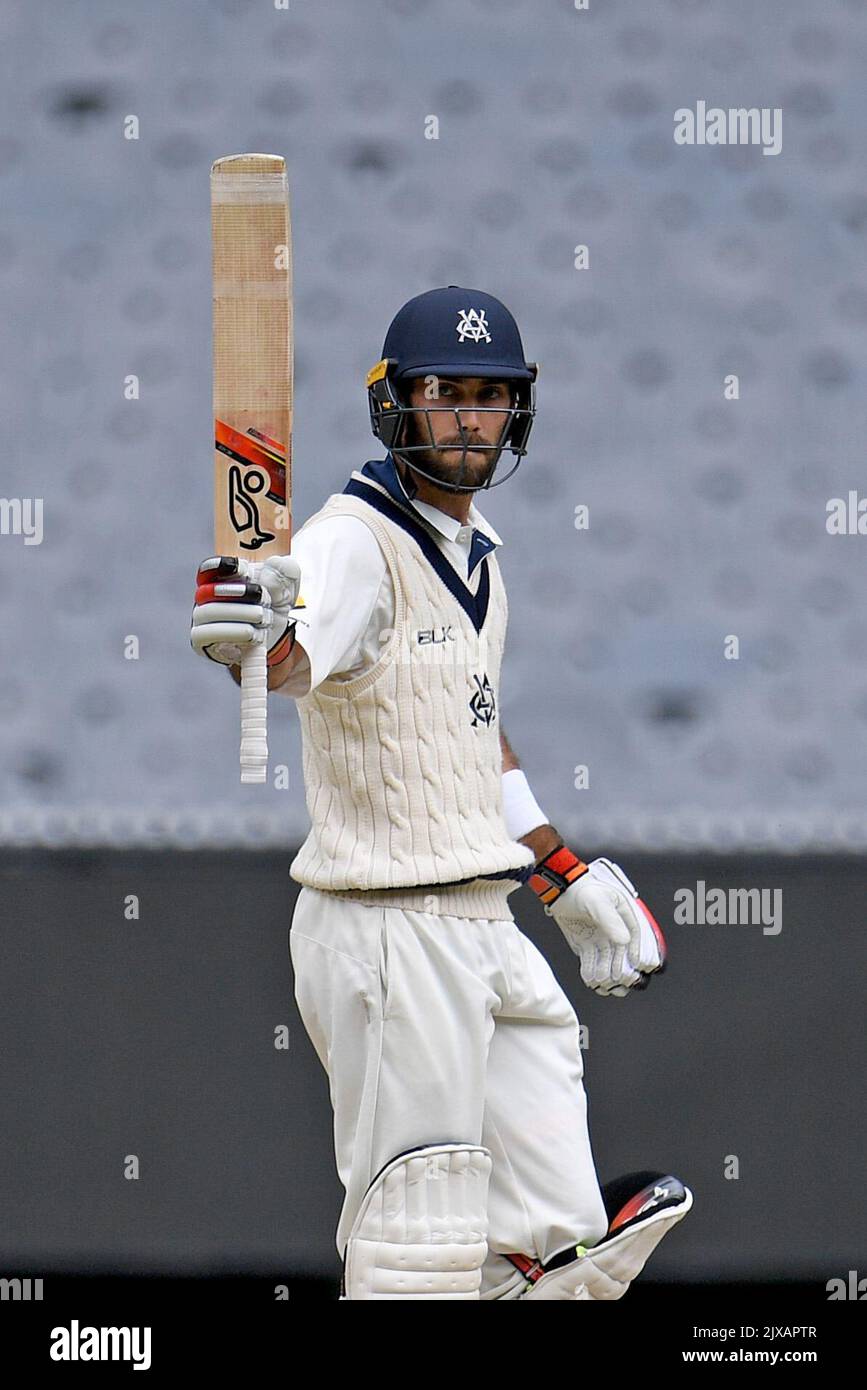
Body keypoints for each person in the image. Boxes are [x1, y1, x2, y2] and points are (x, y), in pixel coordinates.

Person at [191, 286, 692, 1300]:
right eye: (444, 391)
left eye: (489, 395)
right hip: (384, 929)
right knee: (419, 1245)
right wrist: (255, 637)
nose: (468, 415)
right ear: (398, 405)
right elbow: (294, 656)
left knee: (556, 1253)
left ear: (517, 411)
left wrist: (559, 872)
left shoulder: (483, 560)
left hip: (484, 919)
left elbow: (470, 728)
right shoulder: (352, 543)